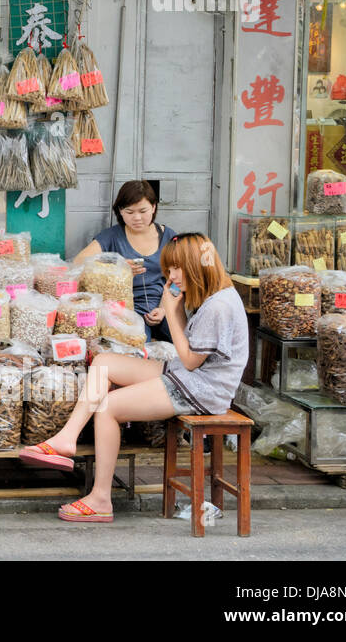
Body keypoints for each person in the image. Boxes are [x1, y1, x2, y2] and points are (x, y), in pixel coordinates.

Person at [18, 233, 249, 523]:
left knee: (108, 407)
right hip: (188, 375)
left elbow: (191, 359)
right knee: (103, 363)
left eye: (177, 268)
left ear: (196, 265)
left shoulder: (219, 305)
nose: (172, 275)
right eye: (170, 269)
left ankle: (101, 498)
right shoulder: (215, 296)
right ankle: (67, 438)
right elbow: (190, 361)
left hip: (202, 388)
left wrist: (171, 311)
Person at [74, 180, 174, 342]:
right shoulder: (112, 236)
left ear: (154, 207)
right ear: (120, 211)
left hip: (162, 305)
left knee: (186, 343)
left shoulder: (168, 237)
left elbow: (180, 280)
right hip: (126, 309)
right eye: (129, 212)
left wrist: (163, 309)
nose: (137, 218)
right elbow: (79, 262)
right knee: (138, 349)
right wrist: (116, 267)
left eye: (143, 211)